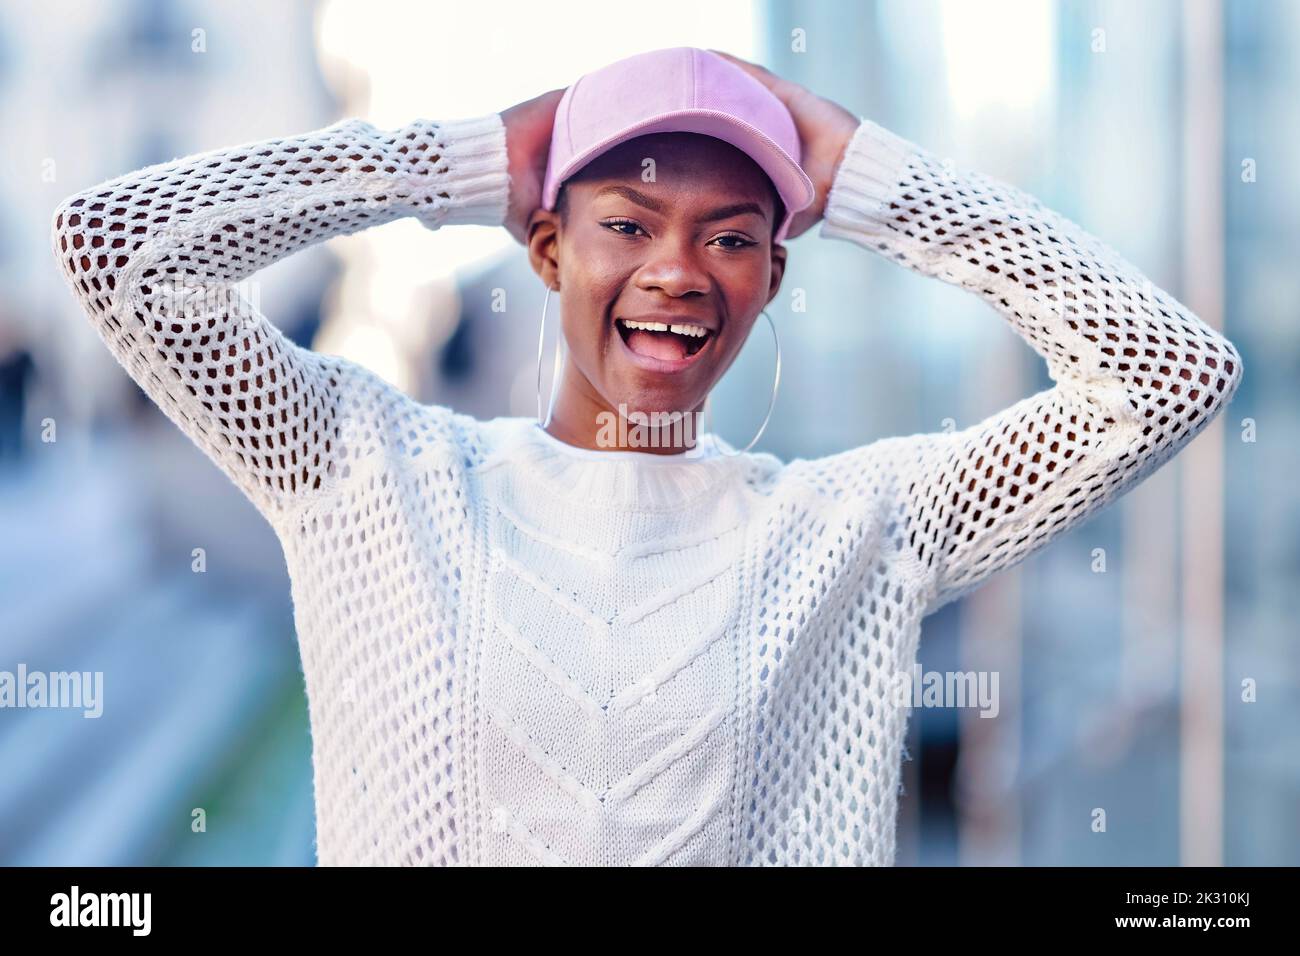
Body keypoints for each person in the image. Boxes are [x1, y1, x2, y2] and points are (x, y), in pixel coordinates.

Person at [50, 46, 1243, 866]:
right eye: (627, 222)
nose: (677, 268)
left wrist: (873, 175)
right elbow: (118, 249)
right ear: (548, 249)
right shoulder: (367, 471)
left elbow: (1165, 373)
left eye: (729, 236)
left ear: (770, 277)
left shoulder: (859, 526)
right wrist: (460, 158)